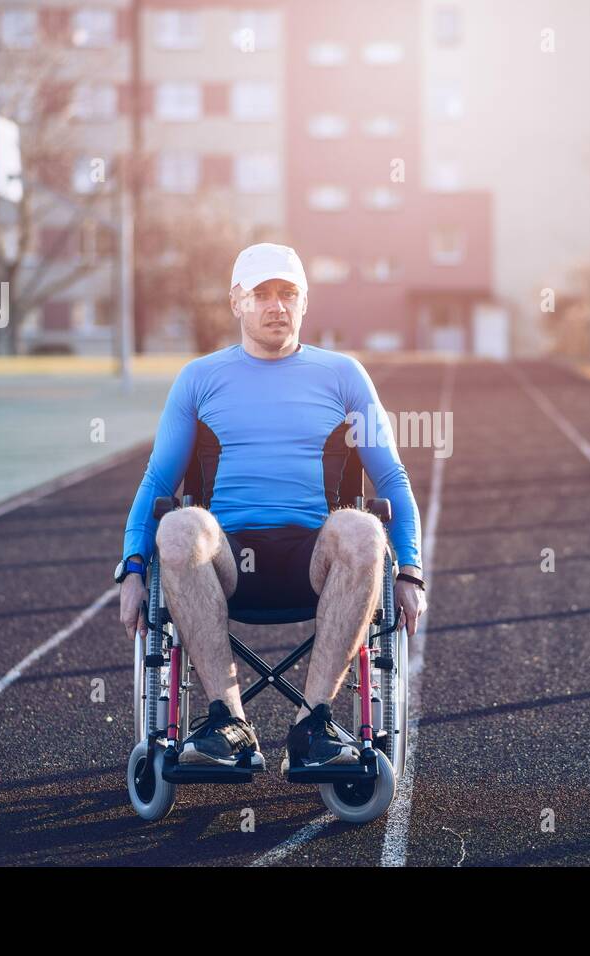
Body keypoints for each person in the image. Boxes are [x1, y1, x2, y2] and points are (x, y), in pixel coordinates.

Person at [115, 242, 426, 772]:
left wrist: (411, 569)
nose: (276, 306)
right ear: (237, 301)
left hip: (315, 562)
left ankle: (315, 724)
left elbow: (391, 476)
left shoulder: (344, 375)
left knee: (364, 531)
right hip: (226, 564)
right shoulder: (198, 378)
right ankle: (228, 722)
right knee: (179, 524)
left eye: (288, 294)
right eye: (262, 294)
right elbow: (156, 480)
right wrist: (133, 566)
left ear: (305, 303)